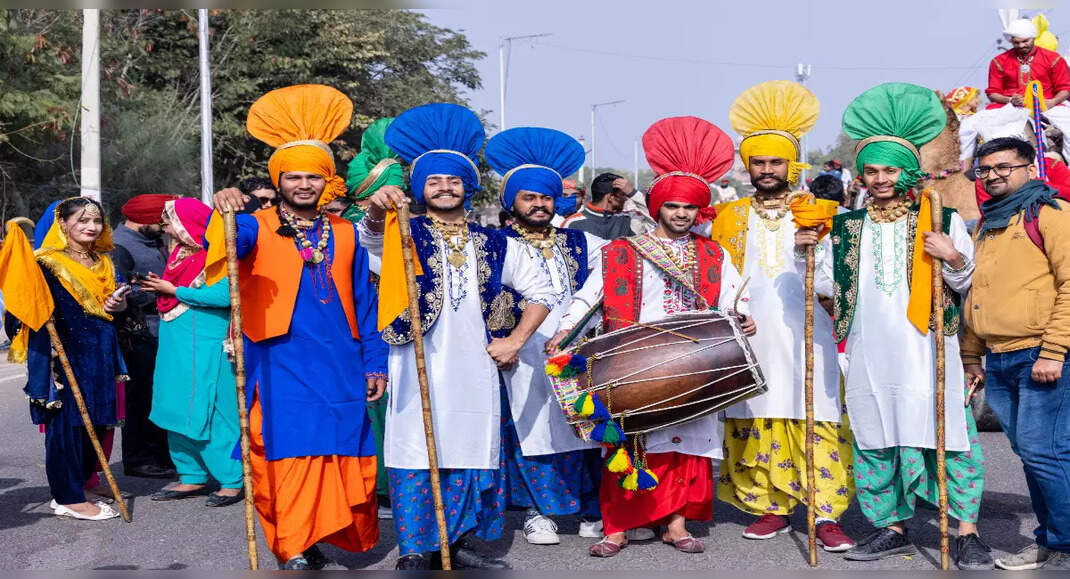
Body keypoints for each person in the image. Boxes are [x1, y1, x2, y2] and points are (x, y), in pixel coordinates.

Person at [797, 83, 992, 569]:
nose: (880, 178)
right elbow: (823, 282)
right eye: (872, 170)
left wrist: (950, 257)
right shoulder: (845, 227)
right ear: (861, 175)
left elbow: (966, 280)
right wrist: (806, 250)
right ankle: (892, 527)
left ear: (907, 172)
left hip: (929, 350)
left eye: (889, 170)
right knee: (875, 437)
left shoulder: (941, 218)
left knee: (951, 439)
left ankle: (965, 531)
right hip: (869, 350)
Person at [360, 103, 555, 570]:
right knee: (414, 451)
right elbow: (366, 241)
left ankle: (458, 543)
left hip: (476, 367)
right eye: (434, 181)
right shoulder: (399, 232)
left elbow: (541, 289)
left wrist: (515, 340)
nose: (445, 189)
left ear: (468, 186)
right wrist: (374, 208)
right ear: (418, 188)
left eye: (453, 181)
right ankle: (414, 549)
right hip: (415, 364)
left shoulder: (496, 242)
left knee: (469, 451)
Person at [549, 116, 754, 558]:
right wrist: (566, 331)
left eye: (689, 208)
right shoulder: (623, 251)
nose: (681, 214)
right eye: (672, 206)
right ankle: (618, 527)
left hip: (699, 361)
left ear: (700, 211)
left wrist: (744, 317)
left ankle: (676, 525)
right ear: (657, 208)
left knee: (688, 445)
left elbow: (737, 298)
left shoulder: (715, 253)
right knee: (629, 441)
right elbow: (590, 296)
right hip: (634, 360)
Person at [206, 84, 387, 570]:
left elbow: (366, 305)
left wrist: (375, 361)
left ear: (326, 181)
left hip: (341, 360)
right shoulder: (255, 225)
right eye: (293, 177)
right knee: (286, 451)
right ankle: (297, 541)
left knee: (341, 446)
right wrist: (224, 208)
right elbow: (229, 243)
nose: (303, 185)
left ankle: (327, 533)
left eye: (313, 176)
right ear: (279, 180)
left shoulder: (346, 233)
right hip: (279, 360)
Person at [711, 80, 855, 552]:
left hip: (810, 335)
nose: (768, 170)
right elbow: (718, 276)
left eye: (776, 161)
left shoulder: (821, 213)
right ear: (748, 165)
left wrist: (818, 252)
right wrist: (729, 315)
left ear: (792, 165)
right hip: (752, 335)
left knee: (816, 412)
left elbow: (844, 282)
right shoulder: (728, 216)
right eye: (759, 162)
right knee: (760, 413)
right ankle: (772, 506)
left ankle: (826, 512)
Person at [484, 126, 605, 546]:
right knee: (529, 429)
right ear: (511, 202)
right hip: (521, 352)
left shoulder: (579, 241)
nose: (539, 205)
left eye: (545, 198)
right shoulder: (494, 244)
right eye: (529, 197)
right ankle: (539, 513)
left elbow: (618, 265)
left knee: (583, 426)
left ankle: (591, 509)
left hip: (574, 351)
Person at [961, 137, 1070, 570]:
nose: (992, 176)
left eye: (1003, 167)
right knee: (1030, 453)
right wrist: (972, 354)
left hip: (1040, 355)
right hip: (1000, 358)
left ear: (1029, 167)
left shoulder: (1051, 214)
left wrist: (1054, 351)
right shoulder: (988, 222)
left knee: (1047, 452)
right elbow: (976, 292)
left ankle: (1063, 545)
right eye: (985, 169)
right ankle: (1050, 541)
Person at [23, 197, 127, 520]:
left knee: (94, 421)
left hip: (101, 352)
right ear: (63, 224)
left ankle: (80, 483)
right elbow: (21, 308)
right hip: (63, 353)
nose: (91, 227)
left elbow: (118, 306)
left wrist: (119, 305)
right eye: (82, 221)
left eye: (96, 221)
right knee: (66, 425)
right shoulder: (45, 262)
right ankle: (66, 497)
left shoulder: (104, 262)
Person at [142, 198, 242, 507]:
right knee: (174, 404)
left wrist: (175, 291)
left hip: (206, 342)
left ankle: (232, 479)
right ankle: (191, 474)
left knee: (207, 407)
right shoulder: (180, 254)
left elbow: (226, 294)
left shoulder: (219, 253)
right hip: (177, 343)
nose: (166, 228)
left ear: (190, 224)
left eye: (170, 221)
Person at [112, 193, 176, 480]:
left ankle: (163, 455)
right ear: (143, 219)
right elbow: (116, 290)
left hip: (164, 329)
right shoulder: (119, 246)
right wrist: (156, 292)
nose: (165, 224)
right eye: (160, 219)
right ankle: (138, 458)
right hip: (139, 334)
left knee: (162, 394)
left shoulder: (156, 241)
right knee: (141, 398)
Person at [960, 18, 1070, 161]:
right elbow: (993, 93)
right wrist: (1010, 99)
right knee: (969, 128)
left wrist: (1052, 101)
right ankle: (967, 172)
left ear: (1033, 38)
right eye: (1016, 42)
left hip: (1049, 104)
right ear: (1011, 40)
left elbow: (1065, 88)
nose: (1021, 45)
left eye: (1025, 41)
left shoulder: (1053, 58)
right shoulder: (999, 61)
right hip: (1010, 106)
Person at [344, 117, 404, 224]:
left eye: (400, 190)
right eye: (391, 192)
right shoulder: (357, 223)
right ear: (368, 193)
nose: (399, 197)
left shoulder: (395, 218)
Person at [561, 173, 646, 239]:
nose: (626, 199)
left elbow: (655, 218)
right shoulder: (572, 224)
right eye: (623, 195)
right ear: (611, 198)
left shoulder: (628, 220)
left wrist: (633, 193)